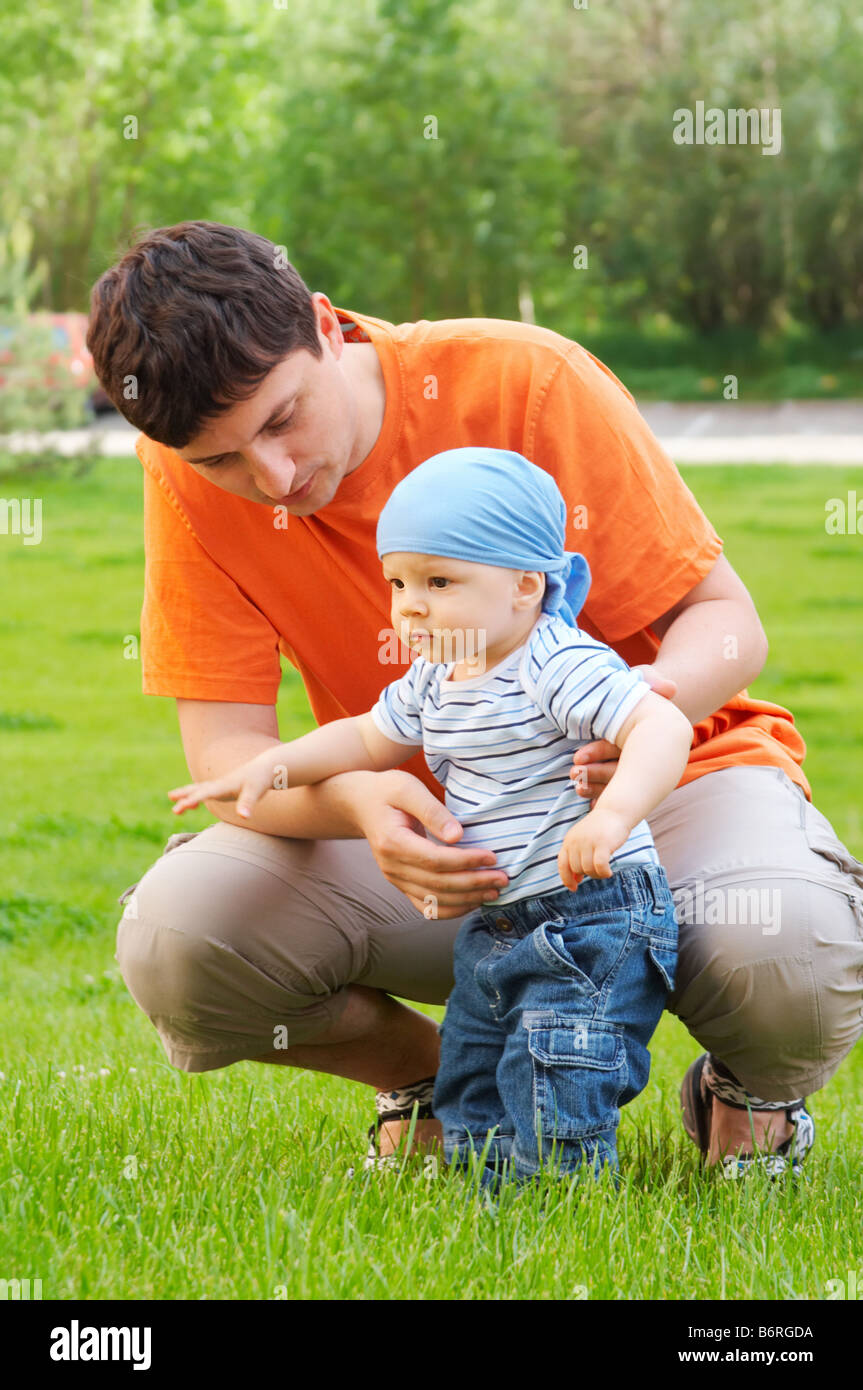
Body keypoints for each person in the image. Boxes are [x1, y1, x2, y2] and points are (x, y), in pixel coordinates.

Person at [87, 220, 863, 1178]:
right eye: (221, 462)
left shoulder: (526, 382)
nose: (273, 480)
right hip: (443, 841)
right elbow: (227, 761)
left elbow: (730, 624)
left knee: (787, 953)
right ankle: (443, 1082)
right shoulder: (181, 474)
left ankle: (745, 1095)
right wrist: (358, 804)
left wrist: (640, 712)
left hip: (664, 795)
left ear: (326, 329)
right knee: (180, 940)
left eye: (282, 420)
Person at [166, 448, 692, 1185]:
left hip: (592, 916)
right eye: (398, 582)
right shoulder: (437, 676)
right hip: (497, 920)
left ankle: (562, 1205)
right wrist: (269, 765)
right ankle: (485, 1190)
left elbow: (661, 727)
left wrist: (612, 816)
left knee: (559, 1066)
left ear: (522, 585)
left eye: (439, 582)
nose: (409, 604)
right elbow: (362, 738)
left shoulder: (554, 661)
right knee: (473, 1067)